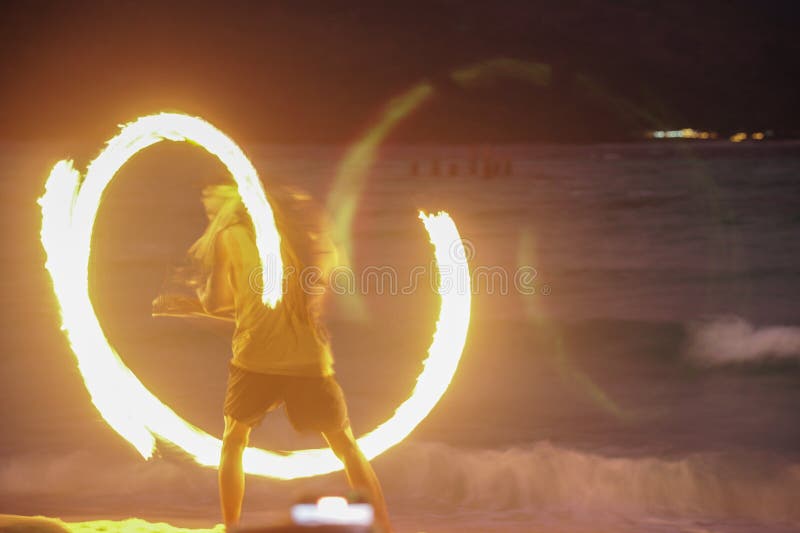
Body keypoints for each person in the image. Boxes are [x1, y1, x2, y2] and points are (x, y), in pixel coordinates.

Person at [152, 184, 392, 532]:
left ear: (233, 206)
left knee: (234, 442)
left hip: (256, 359)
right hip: (308, 359)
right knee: (346, 446)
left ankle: (231, 526)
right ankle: (384, 526)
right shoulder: (292, 237)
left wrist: (191, 303)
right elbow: (280, 299)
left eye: (212, 207)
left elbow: (219, 302)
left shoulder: (228, 236)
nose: (210, 215)